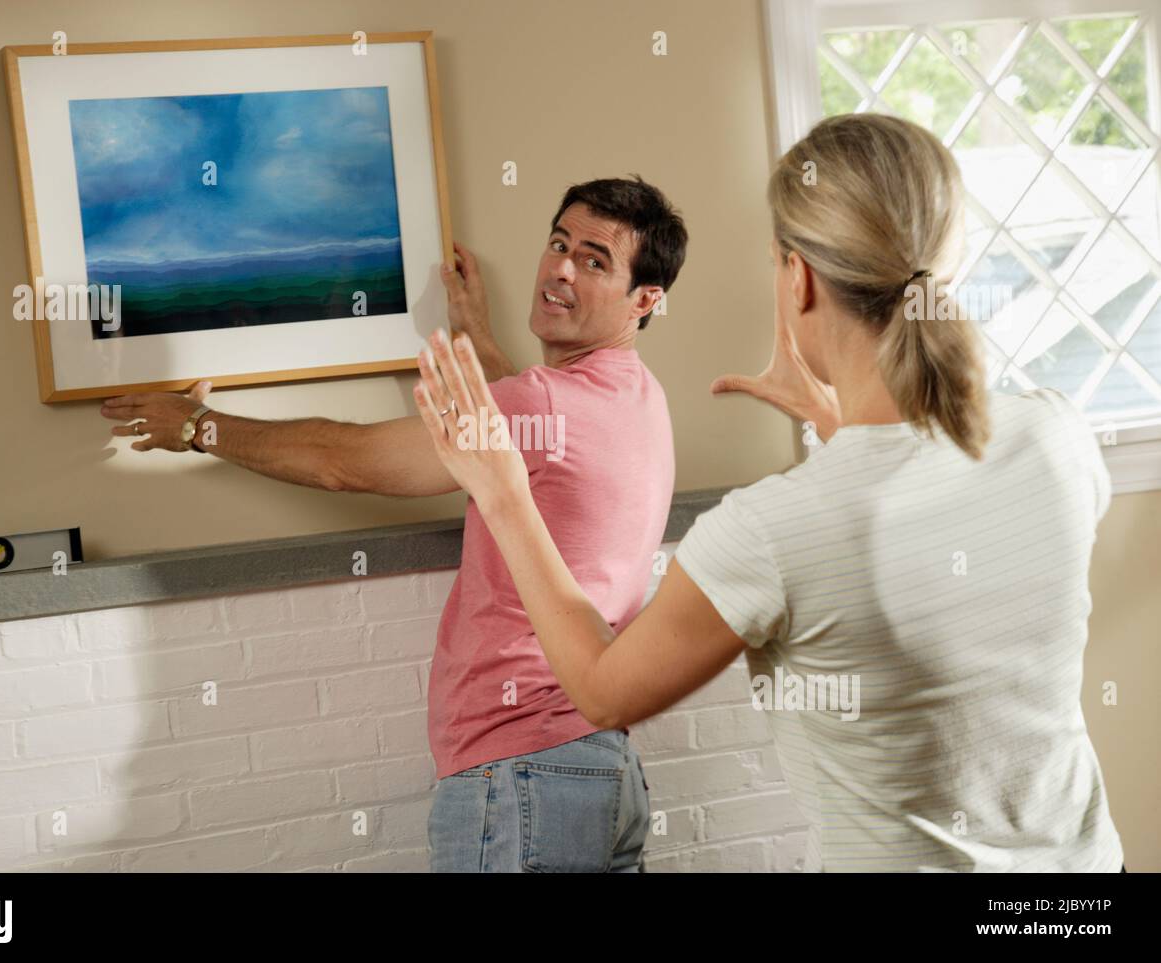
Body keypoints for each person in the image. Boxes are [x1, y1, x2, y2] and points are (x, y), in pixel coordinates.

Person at [414, 114, 1124, 872]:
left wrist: (503, 490)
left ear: (800, 279)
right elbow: (933, 496)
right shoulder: (1057, 435)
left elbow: (601, 690)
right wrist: (840, 417)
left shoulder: (777, 528)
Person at [99, 177, 689, 872]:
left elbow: (345, 464)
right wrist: (477, 336)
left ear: (645, 298)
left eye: (595, 260)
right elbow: (532, 427)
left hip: (521, 772)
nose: (560, 266)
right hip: (602, 771)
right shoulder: (639, 396)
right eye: (558, 243)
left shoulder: (538, 402)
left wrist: (199, 426)